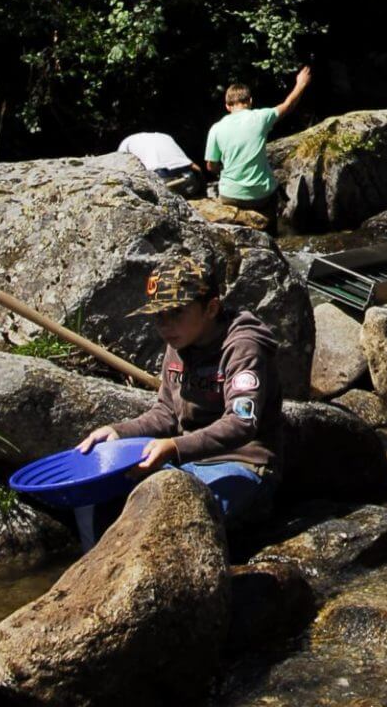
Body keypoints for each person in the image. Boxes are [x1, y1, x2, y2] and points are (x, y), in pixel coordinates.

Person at [76, 256, 281, 546]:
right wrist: (119, 432)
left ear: (211, 308)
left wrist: (173, 447)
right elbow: (166, 412)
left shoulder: (243, 347)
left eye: (176, 313)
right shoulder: (180, 342)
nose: (165, 325)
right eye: (158, 315)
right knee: (100, 494)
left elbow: (241, 422)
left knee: (171, 518)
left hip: (242, 465)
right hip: (187, 463)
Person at [205, 69, 312, 233]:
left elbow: (211, 166)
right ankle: (271, 235)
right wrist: (301, 84)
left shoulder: (216, 129)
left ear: (227, 106)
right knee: (273, 195)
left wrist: (222, 170)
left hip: (230, 195)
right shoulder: (261, 117)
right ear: (250, 101)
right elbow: (288, 105)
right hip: (260, 196)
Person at [117, 131, 205, 199]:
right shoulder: (165, 136)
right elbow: (194, 166)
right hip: (189, 175)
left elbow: (120, 166)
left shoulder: (127, 141)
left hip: (161, 177)